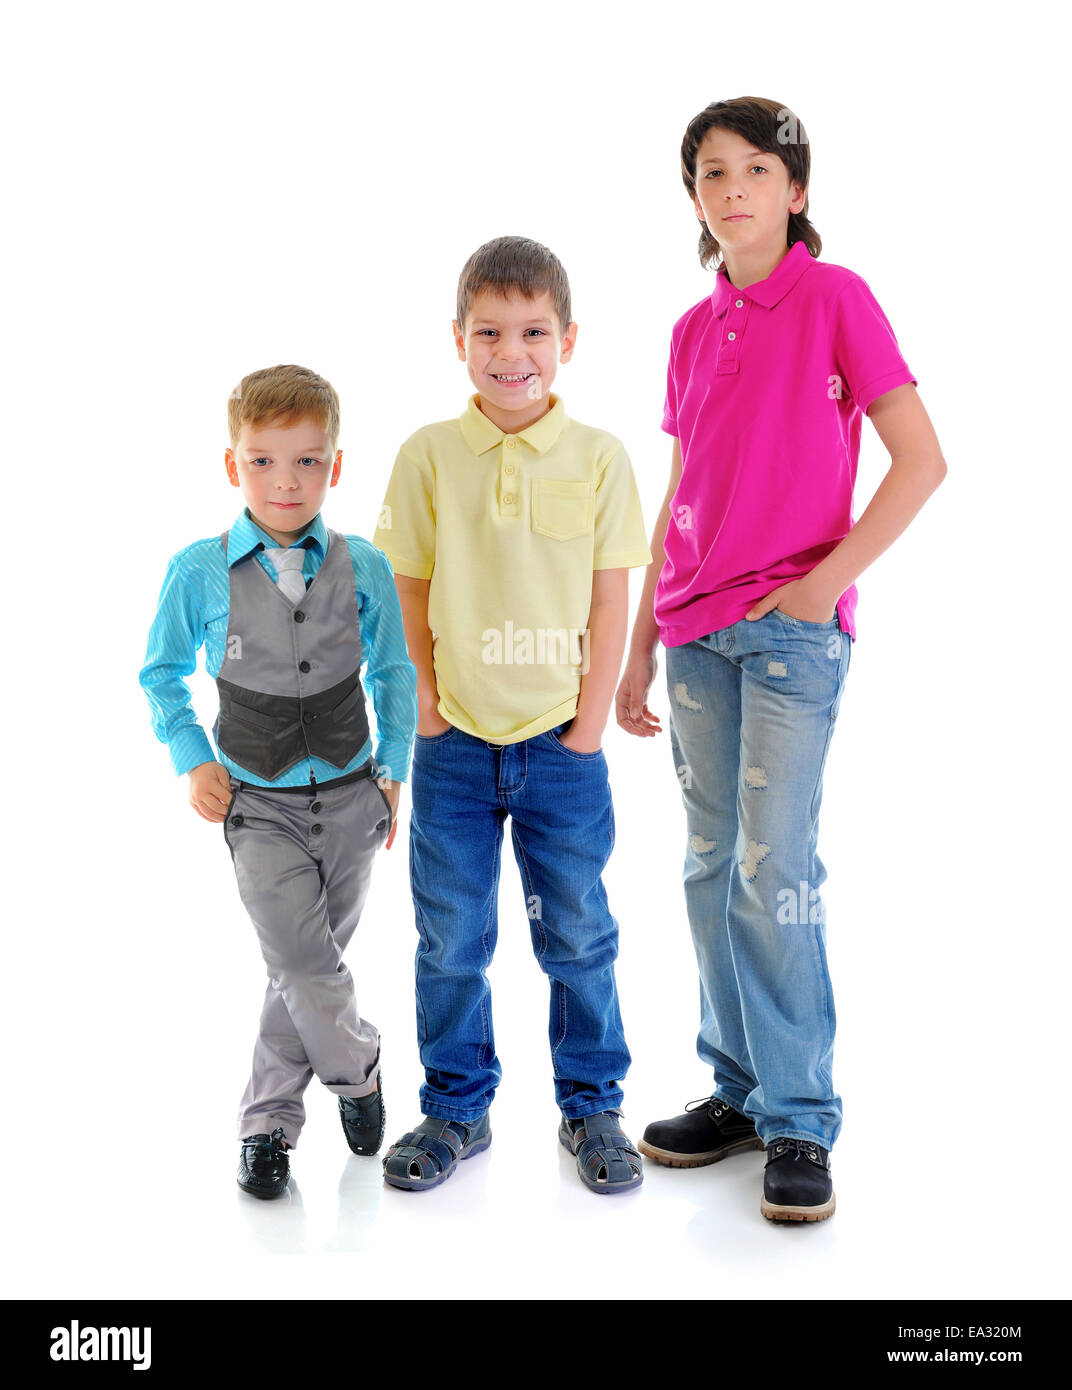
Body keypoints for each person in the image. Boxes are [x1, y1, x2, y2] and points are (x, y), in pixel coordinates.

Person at [616, 98, 947, 1221]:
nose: (734, 189)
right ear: (696, 197)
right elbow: (681, 491)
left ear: (795, 190)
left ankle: (801, 1118)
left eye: (757, 169)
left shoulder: (836, 298)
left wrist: (818, 586)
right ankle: (740, 1089)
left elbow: (920, 458)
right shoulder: (687, 331)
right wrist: (638, 646)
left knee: (775, 864)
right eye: (712, 173)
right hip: (693, 631)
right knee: (710, 862)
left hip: (791, 632)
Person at [373, 236, 652, 1194]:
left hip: (559, 747)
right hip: (453, 745)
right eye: (488, 331)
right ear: (458, 339)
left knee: (577, 932)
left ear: (567, 339)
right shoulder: (428, 456)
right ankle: (456, 1108)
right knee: (450, 936)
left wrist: (588, 727)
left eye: (533, 330)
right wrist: (429, 715)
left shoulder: (601, 457)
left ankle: (593, 1106)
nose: (511, 350)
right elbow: (404, 589)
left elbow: (610, 599)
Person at [139, 364, 417, 1199]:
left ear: (336, 466)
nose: (284, 481)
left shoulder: (363, 567)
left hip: (351, 798)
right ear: (233, 466)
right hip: (256, 805)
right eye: (262, 461)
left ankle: (267, 1124)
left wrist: (392, 774)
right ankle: (357, 1069)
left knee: (300, 970)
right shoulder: (197, 572)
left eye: (306, 461)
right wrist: (193, 758)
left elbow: (395, 674)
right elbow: (159, 674)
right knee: (302, 961)